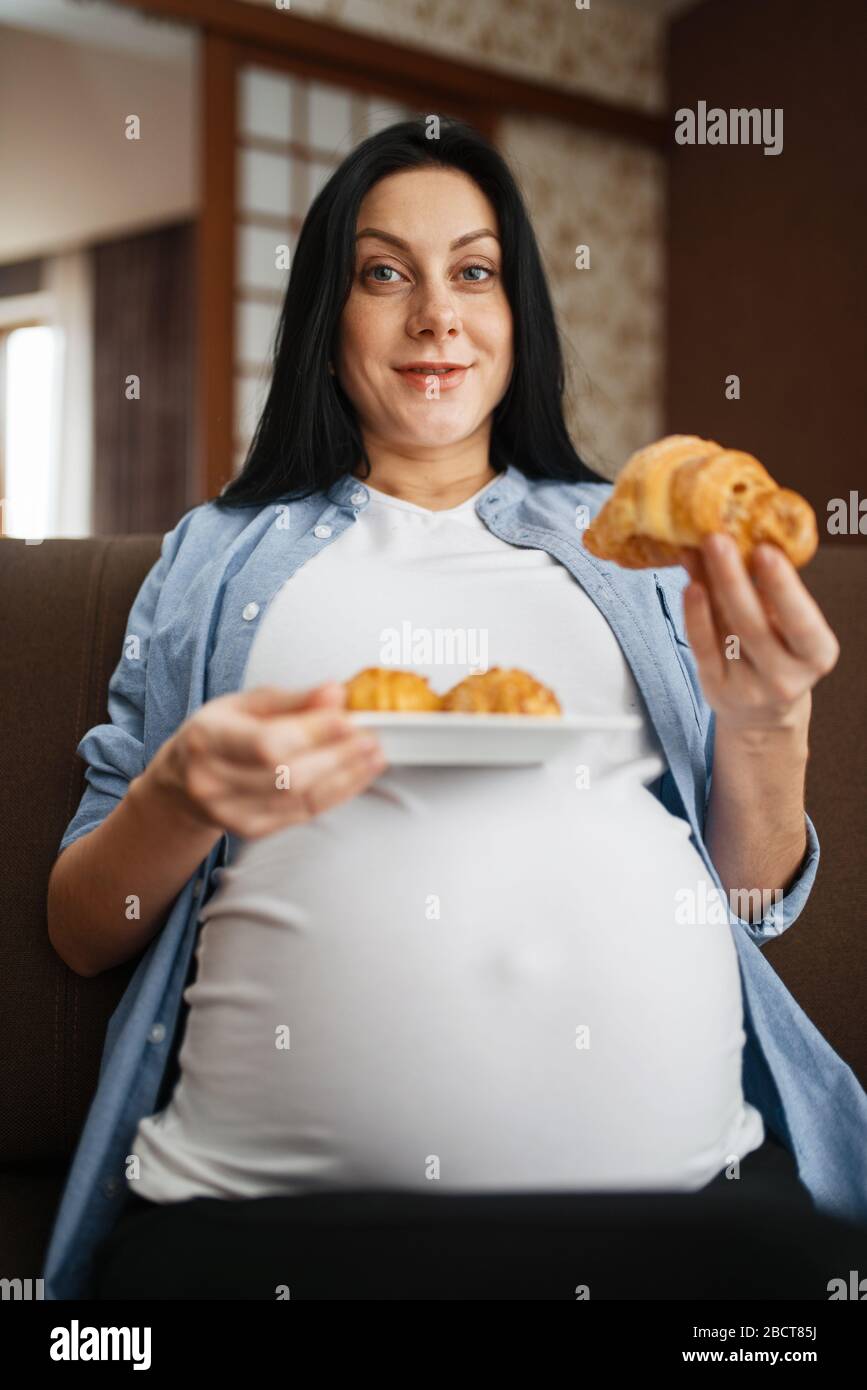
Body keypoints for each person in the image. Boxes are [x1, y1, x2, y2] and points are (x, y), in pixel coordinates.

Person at [44, 119, 867, 1301]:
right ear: (329, 321)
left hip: (690, 1209)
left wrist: (767, 720)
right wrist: (177, 794)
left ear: (516, 316)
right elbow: (84, 926)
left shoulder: (638, 557)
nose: (437, 315)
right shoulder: (215, 558)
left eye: (474, 272)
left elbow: (753, 898)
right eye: (386, 273)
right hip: (259, 1220)